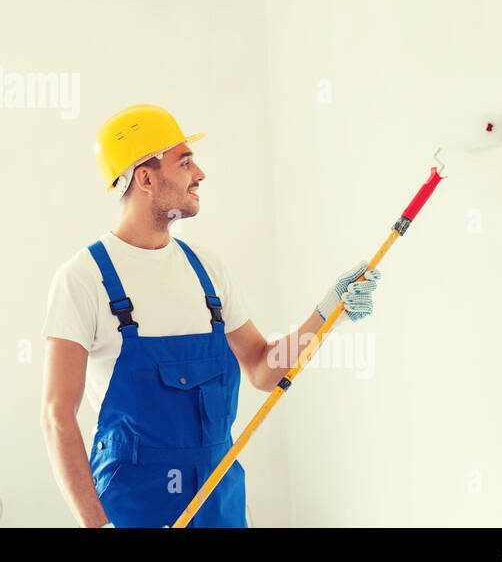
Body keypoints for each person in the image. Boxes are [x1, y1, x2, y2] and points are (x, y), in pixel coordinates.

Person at [40, 104, 378, 527]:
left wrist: (330, 311)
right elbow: (57, 415)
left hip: (219, 501)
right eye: (184, 162)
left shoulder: (207, 271)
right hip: (133, 508)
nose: (199, 174)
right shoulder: (83, 279)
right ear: (144, 177)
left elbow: (260, 368)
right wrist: (97, 525)